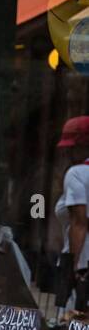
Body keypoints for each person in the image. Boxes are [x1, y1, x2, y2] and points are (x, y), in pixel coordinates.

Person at [56, 116, 89, 310]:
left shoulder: (76, 173)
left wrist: (71, 270)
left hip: (81, 266)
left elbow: (79, 223)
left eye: (71, 146)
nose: (66, 152)